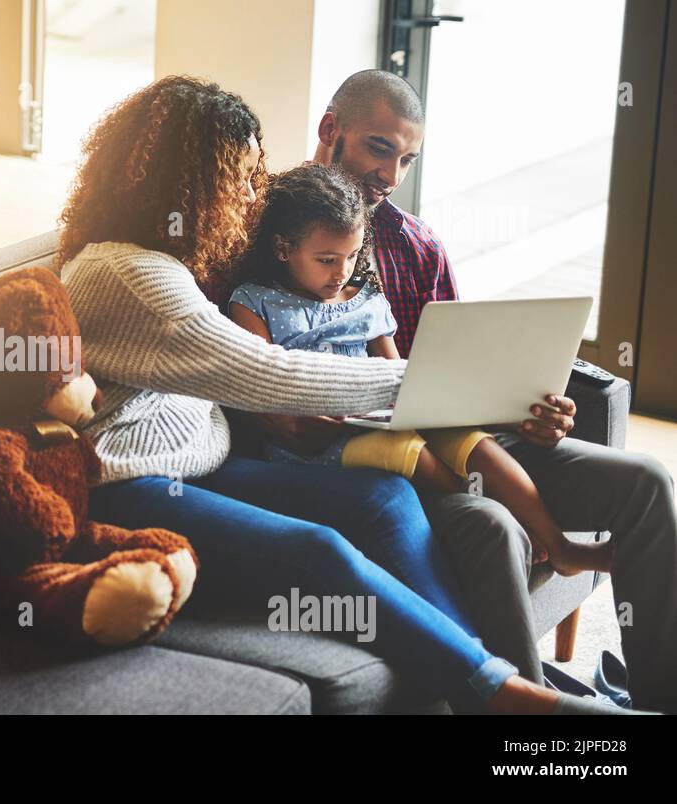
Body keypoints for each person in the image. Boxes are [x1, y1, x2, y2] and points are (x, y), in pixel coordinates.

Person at [57, 74, 622, 714]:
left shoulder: (172, 258)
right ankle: (503, 694)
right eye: (239, 176)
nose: (252, 193)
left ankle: (489, 679)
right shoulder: (129, 274)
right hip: (129, 486)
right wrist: (443, 386)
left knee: (384, 497)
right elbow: (269, 374)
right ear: (186, 180)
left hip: (200, 467)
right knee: (319, 548)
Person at [242, 68, 674, 711]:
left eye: (407, 159)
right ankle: (538, 728)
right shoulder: (267, 231)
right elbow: (255, 376)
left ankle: (659, 700)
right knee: (491, 522)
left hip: (468, 436)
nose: (391, 177)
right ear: (330, 131)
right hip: (382, 457)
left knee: (648, 481)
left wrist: (529, 410)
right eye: (378, 148)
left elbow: (458, 374)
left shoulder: (417, 247)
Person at [228, 162, 614, 577]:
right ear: (284, 248)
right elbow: (260, 383)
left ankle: (559, 546)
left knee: (472, 442)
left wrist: (428, 408)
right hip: (312, 438)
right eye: (325, 259)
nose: (340, 272)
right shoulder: (253, 302)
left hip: (375, 417)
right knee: (404, 450)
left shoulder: (365, 299)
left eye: (352, 255)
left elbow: (399, 377)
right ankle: (505, 518)